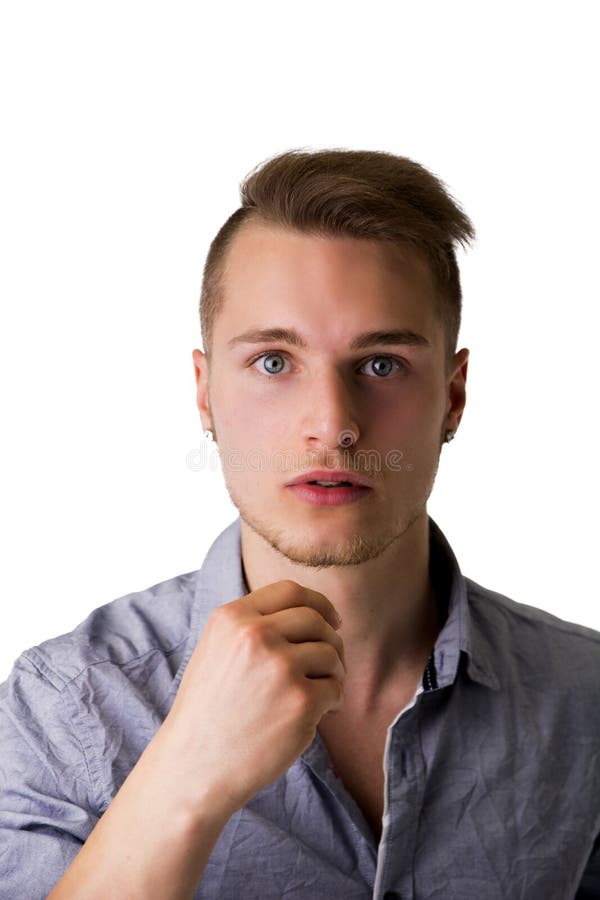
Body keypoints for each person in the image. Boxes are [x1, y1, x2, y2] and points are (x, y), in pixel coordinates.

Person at [1, 149, 598, 900]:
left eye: (381, 364)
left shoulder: (586, 700)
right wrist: (185, 777)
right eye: (275, 362)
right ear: (205, 393)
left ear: (452, 398)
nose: (333, 425)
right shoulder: (63, 707)